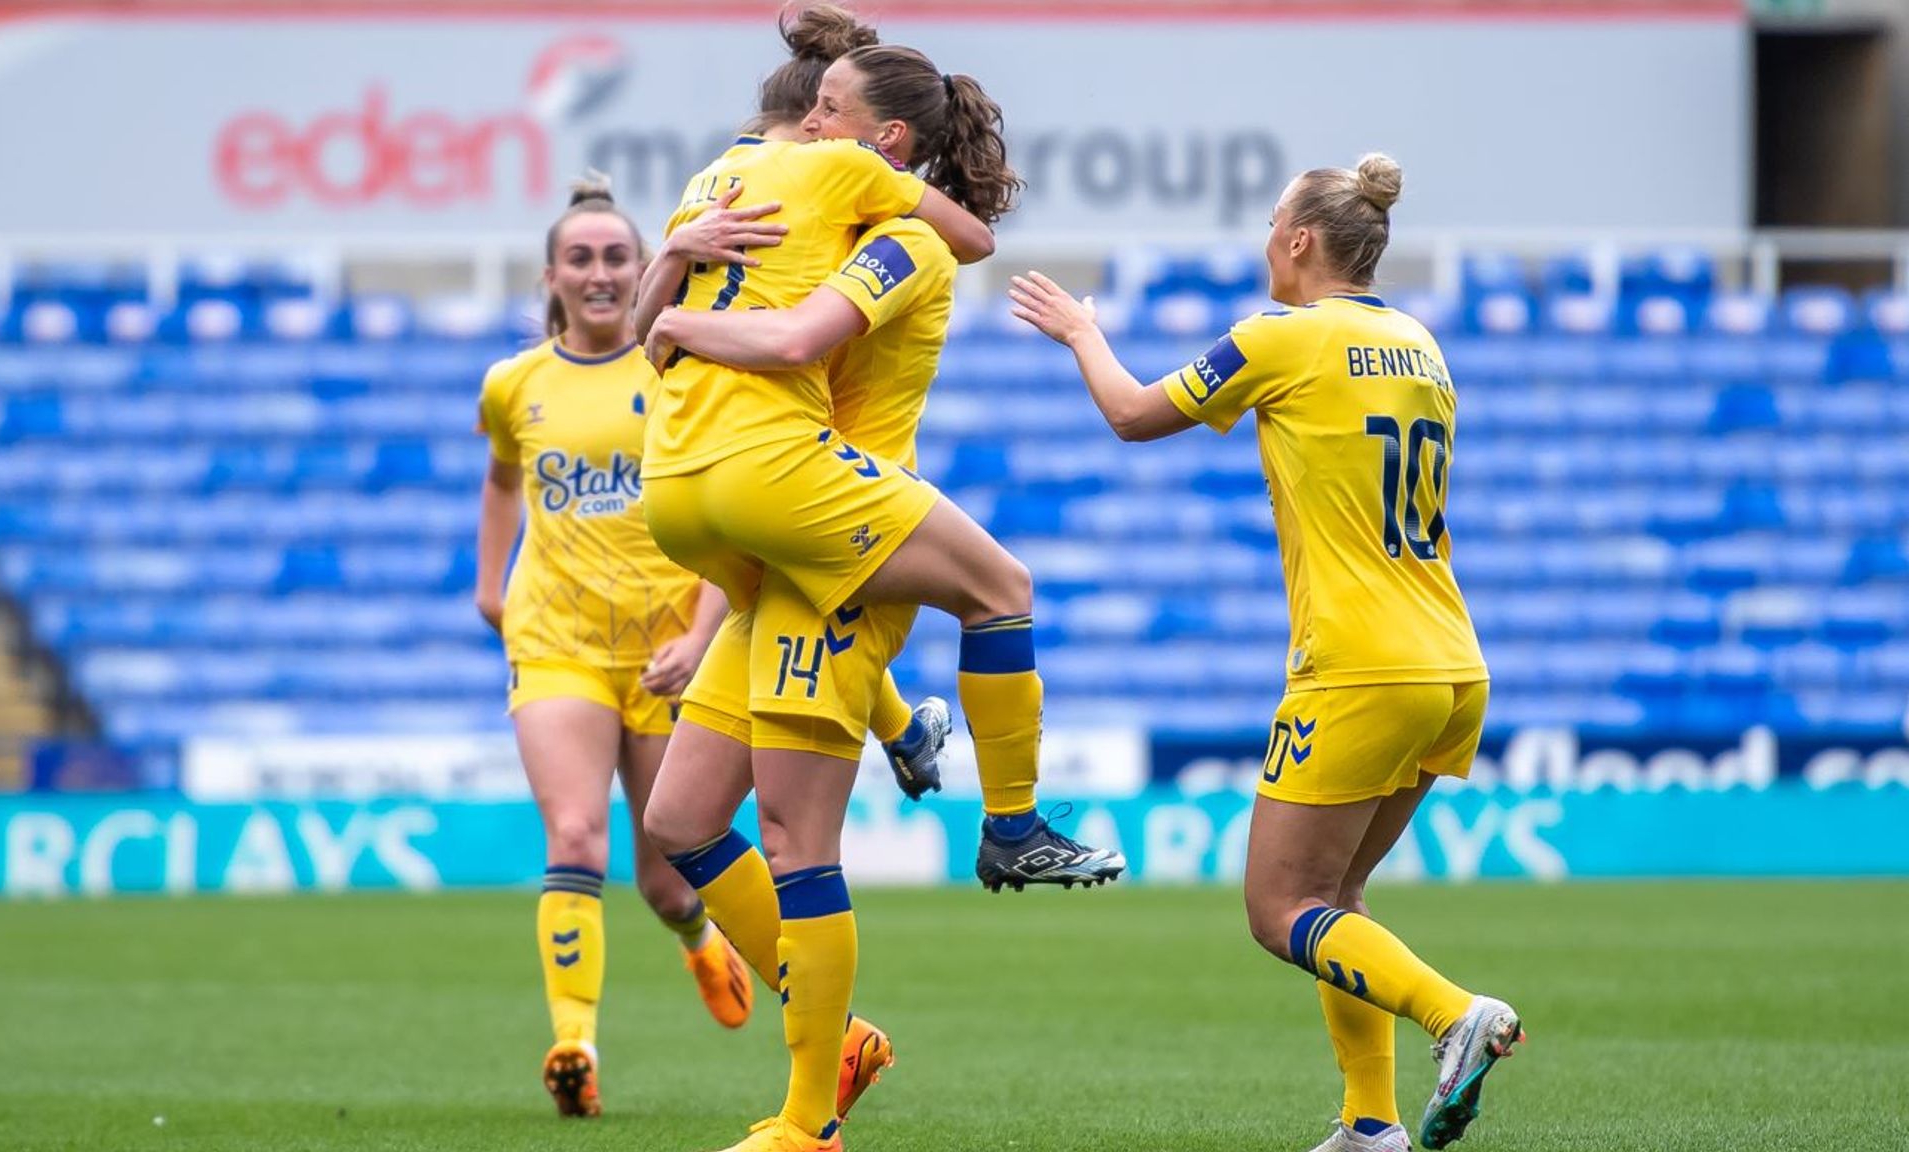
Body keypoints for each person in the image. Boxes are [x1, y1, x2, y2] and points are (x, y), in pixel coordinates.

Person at [633, 26, 1123, 1152]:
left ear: (883, 141)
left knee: (800, 837)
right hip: (796, 517)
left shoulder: (895, 240)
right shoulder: (827, 204)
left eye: (830, 111)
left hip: (843, 537)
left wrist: (678, 315)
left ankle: (810, 1121)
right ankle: (847, 1012)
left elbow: (812, 327)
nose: (810, 127)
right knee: (675, 819)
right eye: (807, 110)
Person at [1009, 154, 1525, 1152]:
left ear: (1296, 240)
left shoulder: (1282, 335)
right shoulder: (1418, 344)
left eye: (1269, 225)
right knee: (1336, 898)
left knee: (1277, 906)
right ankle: (1369, 1124)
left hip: (1358, 664)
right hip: (1450, 660)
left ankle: (1454, 1015)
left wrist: (1080, 333)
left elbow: (1130, 414)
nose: (1262, 243)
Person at [473, 177, 753, 1121]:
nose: (600, 274)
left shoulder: (679, 363)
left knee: (666, 873)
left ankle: (698, 938)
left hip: (668, 644)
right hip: (558, 638)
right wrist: (489, 579)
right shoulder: (514, 385)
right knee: (575, 836)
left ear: (645, 269)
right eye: (581, 259)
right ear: (552, 276)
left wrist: (700, 631)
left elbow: (731, 510)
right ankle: (573, 1046)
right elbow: (504, 480)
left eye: (616, 258)